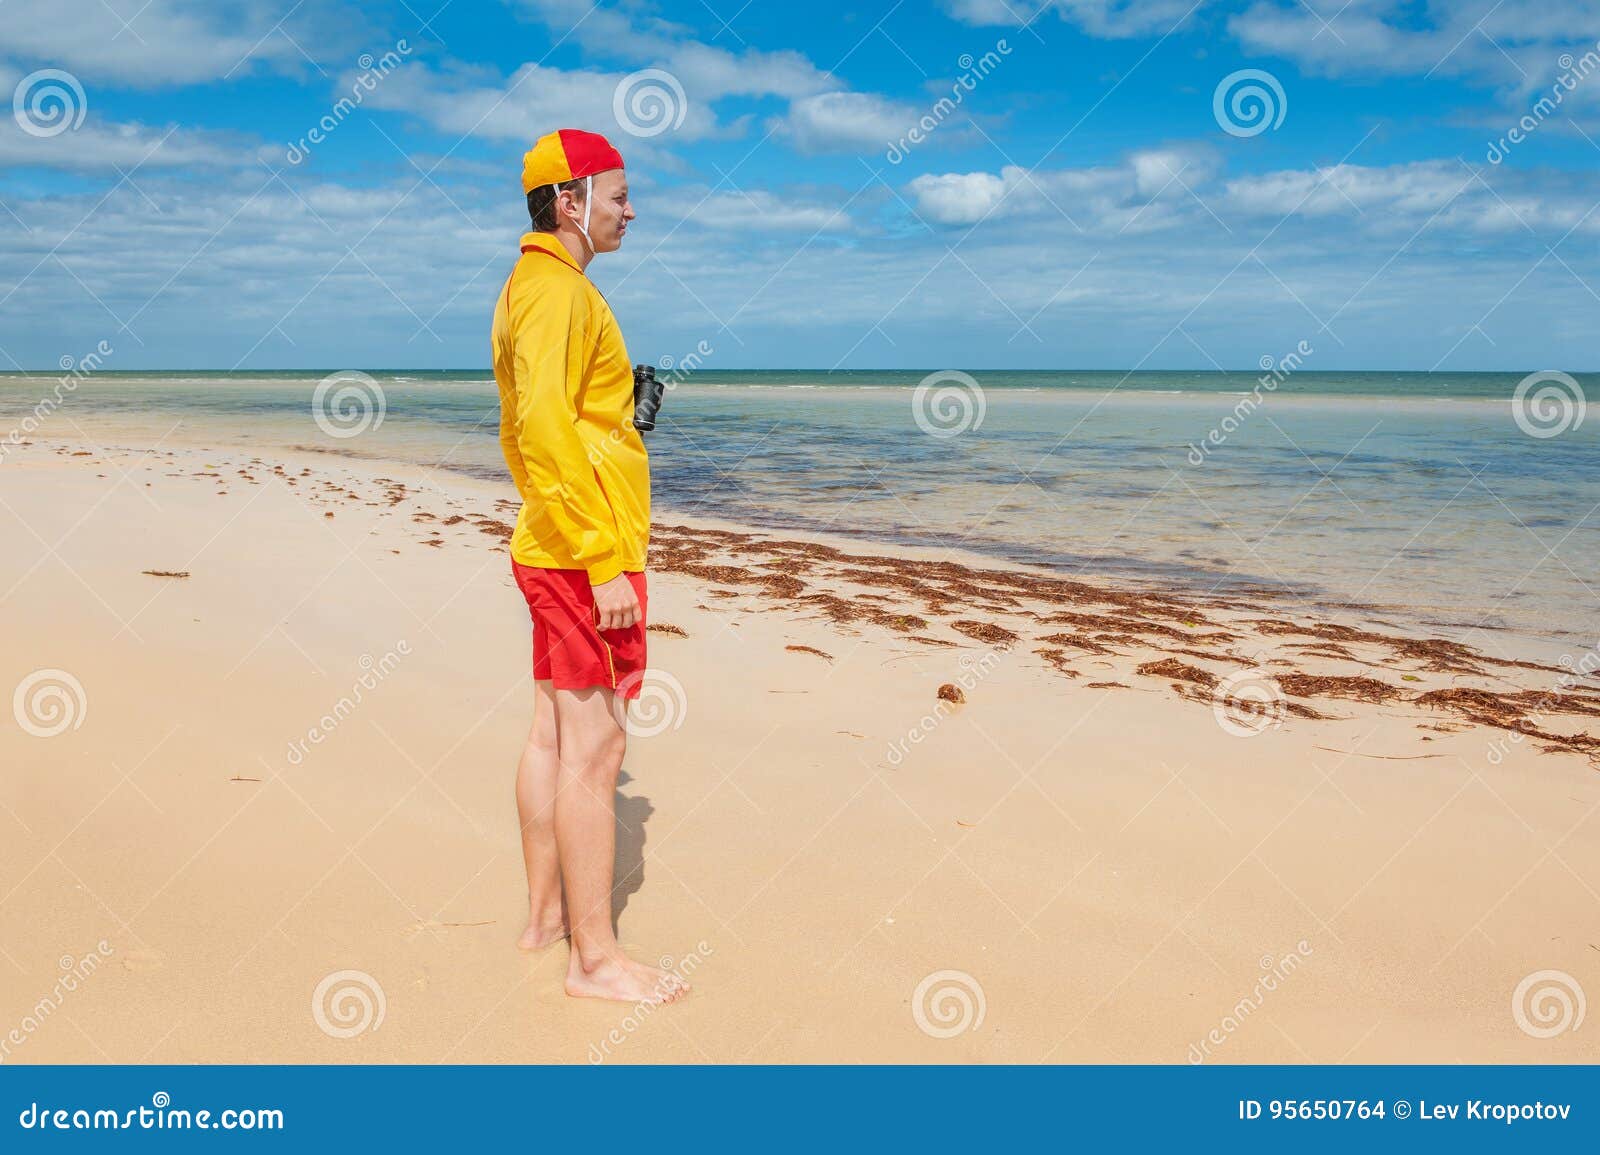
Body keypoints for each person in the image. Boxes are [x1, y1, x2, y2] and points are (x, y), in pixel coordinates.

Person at [492, 128, 685, 1006]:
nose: (629, 209)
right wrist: (604, 558)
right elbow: (541, 430)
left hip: (555, 539)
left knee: (551, 733)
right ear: (570, 201)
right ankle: (595, 960)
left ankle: (544, 923)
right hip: (582, 555)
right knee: (596, 748)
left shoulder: (533, 288)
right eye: (617, 194)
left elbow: (541, 426)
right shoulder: (556, 292)